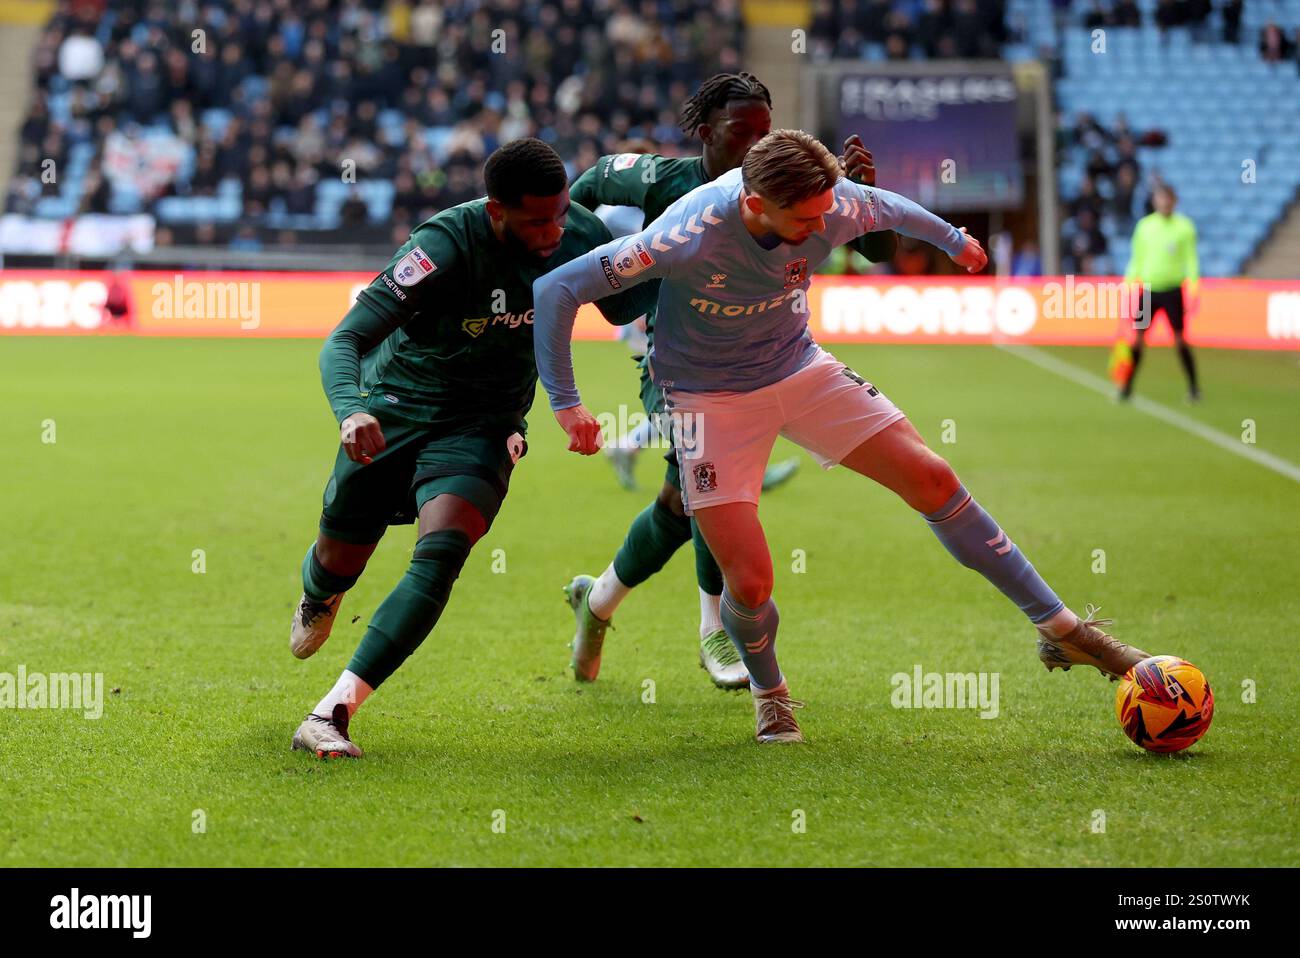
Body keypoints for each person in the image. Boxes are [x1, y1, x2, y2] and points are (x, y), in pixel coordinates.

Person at [533, 130, 1150, 744]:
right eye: (805, 218)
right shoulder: (685, 233)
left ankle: (1061, 629)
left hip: (799, 368)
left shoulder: (830, 203)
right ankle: (771, 696)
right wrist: (566, 405)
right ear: (754, 204)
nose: (823, 225)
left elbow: (890, 208)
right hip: (706, 399)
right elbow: (557, 289)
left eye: (827, 209)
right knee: (747, 584)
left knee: (933, 478)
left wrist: (955, 241)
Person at [286, 138, 651, 758]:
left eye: (561, 213)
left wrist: (671, 255)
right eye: (538, 220)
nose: (554, 231)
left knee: (444, 549)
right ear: (494, 211)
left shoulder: (575, 231)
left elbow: (622, 304)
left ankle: (332, 712)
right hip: (396, 406)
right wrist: (350, 413)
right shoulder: (443, 244)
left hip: (486, 421)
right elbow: (344, 339)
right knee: (338, 554)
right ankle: (321, 594)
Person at [564, 72, 897, 689]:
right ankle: (712, 632)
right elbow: (582, 191)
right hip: (676, 366)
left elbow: (879, 252)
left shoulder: (790, 187)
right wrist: (579, 255)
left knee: (677, 503)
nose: (754, 146)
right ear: (703, 132)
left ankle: (599, 599)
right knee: (705, 483)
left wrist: (868, 195)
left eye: (764, 132)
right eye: (739, 132)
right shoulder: (662, 180)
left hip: (760, 367)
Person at [1119, 184, 1201, 403]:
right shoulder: (1145, 227)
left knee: (1180, 340)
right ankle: (1126, 387)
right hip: (1148, 292)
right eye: (1161, 198)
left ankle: (1194, 388)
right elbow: (1137, 259)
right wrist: (1127, 286)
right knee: (1136, 340)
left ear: (1174, 201)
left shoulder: (1185, 228)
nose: (1164, 203)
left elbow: (1191, 260)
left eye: (1168, 199)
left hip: (1173, 291)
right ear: (1155, 201)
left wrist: (1193, 289)